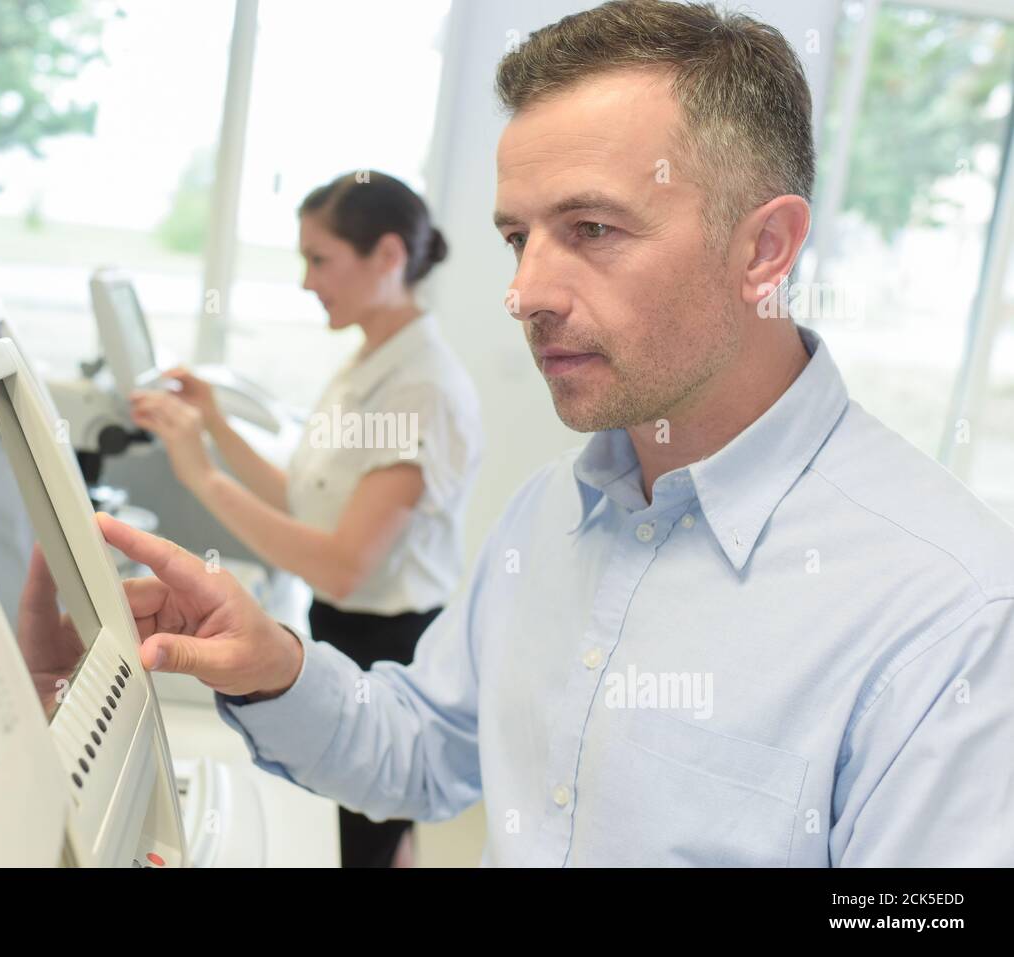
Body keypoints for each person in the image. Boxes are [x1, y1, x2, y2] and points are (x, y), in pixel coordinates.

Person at [96, 0, 1014, 865]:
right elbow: (426, 748)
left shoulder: (952, 613)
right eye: (518, 238)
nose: (525, 292)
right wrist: (276, 670)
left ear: (764, 249)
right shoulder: (551, 513)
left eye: (592, 228)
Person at [128, 171, 481, 867]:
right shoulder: (371, 360)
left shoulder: (419, 388)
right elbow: (306, 493)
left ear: (387, 256)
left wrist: (199, 473)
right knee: (375, 837)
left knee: (364, 843)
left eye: (319, 259)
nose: (306, 280)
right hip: (348, 627)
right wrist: (215, 424)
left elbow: (343, 563)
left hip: (386, 639)